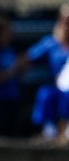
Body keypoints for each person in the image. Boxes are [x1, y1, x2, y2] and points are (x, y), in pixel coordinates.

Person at [23, 3, 69, 142]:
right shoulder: (51, 43)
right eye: (66, 20)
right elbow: (28, 58)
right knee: (46, 94)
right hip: (59, 91)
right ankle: (50, 134)